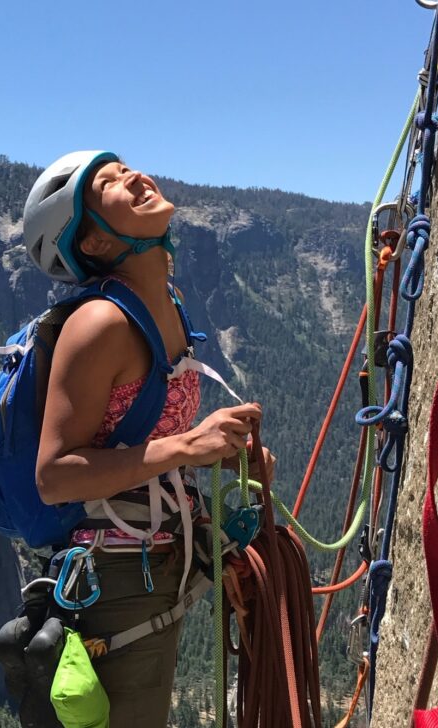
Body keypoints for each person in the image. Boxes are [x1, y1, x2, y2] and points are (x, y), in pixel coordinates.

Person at [23, 151, 273, 727]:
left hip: (161, 558)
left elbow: (147, 437)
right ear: (95, 244)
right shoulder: (100, 325)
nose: (133, 176)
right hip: (114, 582)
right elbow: (55, 475)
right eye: (106, 185)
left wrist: (225, 456)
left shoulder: (168, 303)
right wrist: (191, 446)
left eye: (124, 166)